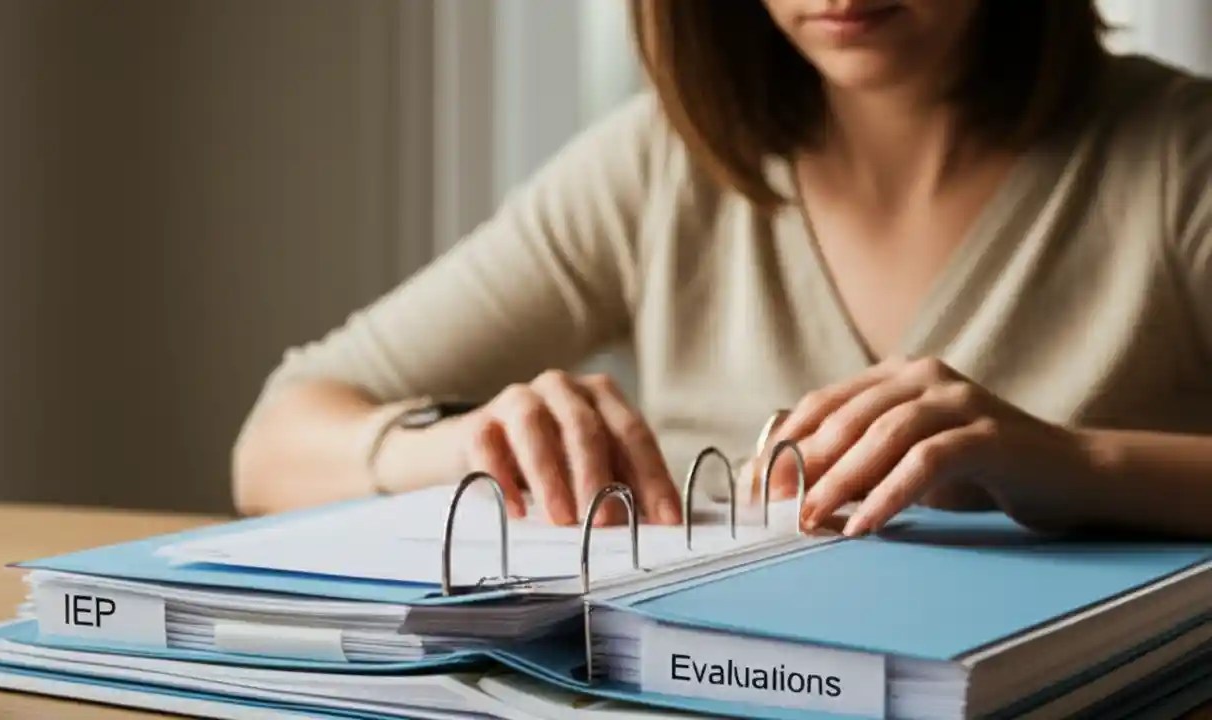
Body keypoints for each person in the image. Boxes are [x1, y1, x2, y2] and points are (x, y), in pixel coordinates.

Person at [232, 0, 1212, 539]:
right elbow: (274, 442)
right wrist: (464, 446)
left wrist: (1073, 464)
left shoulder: (1176, 158)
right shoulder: (657, 169)